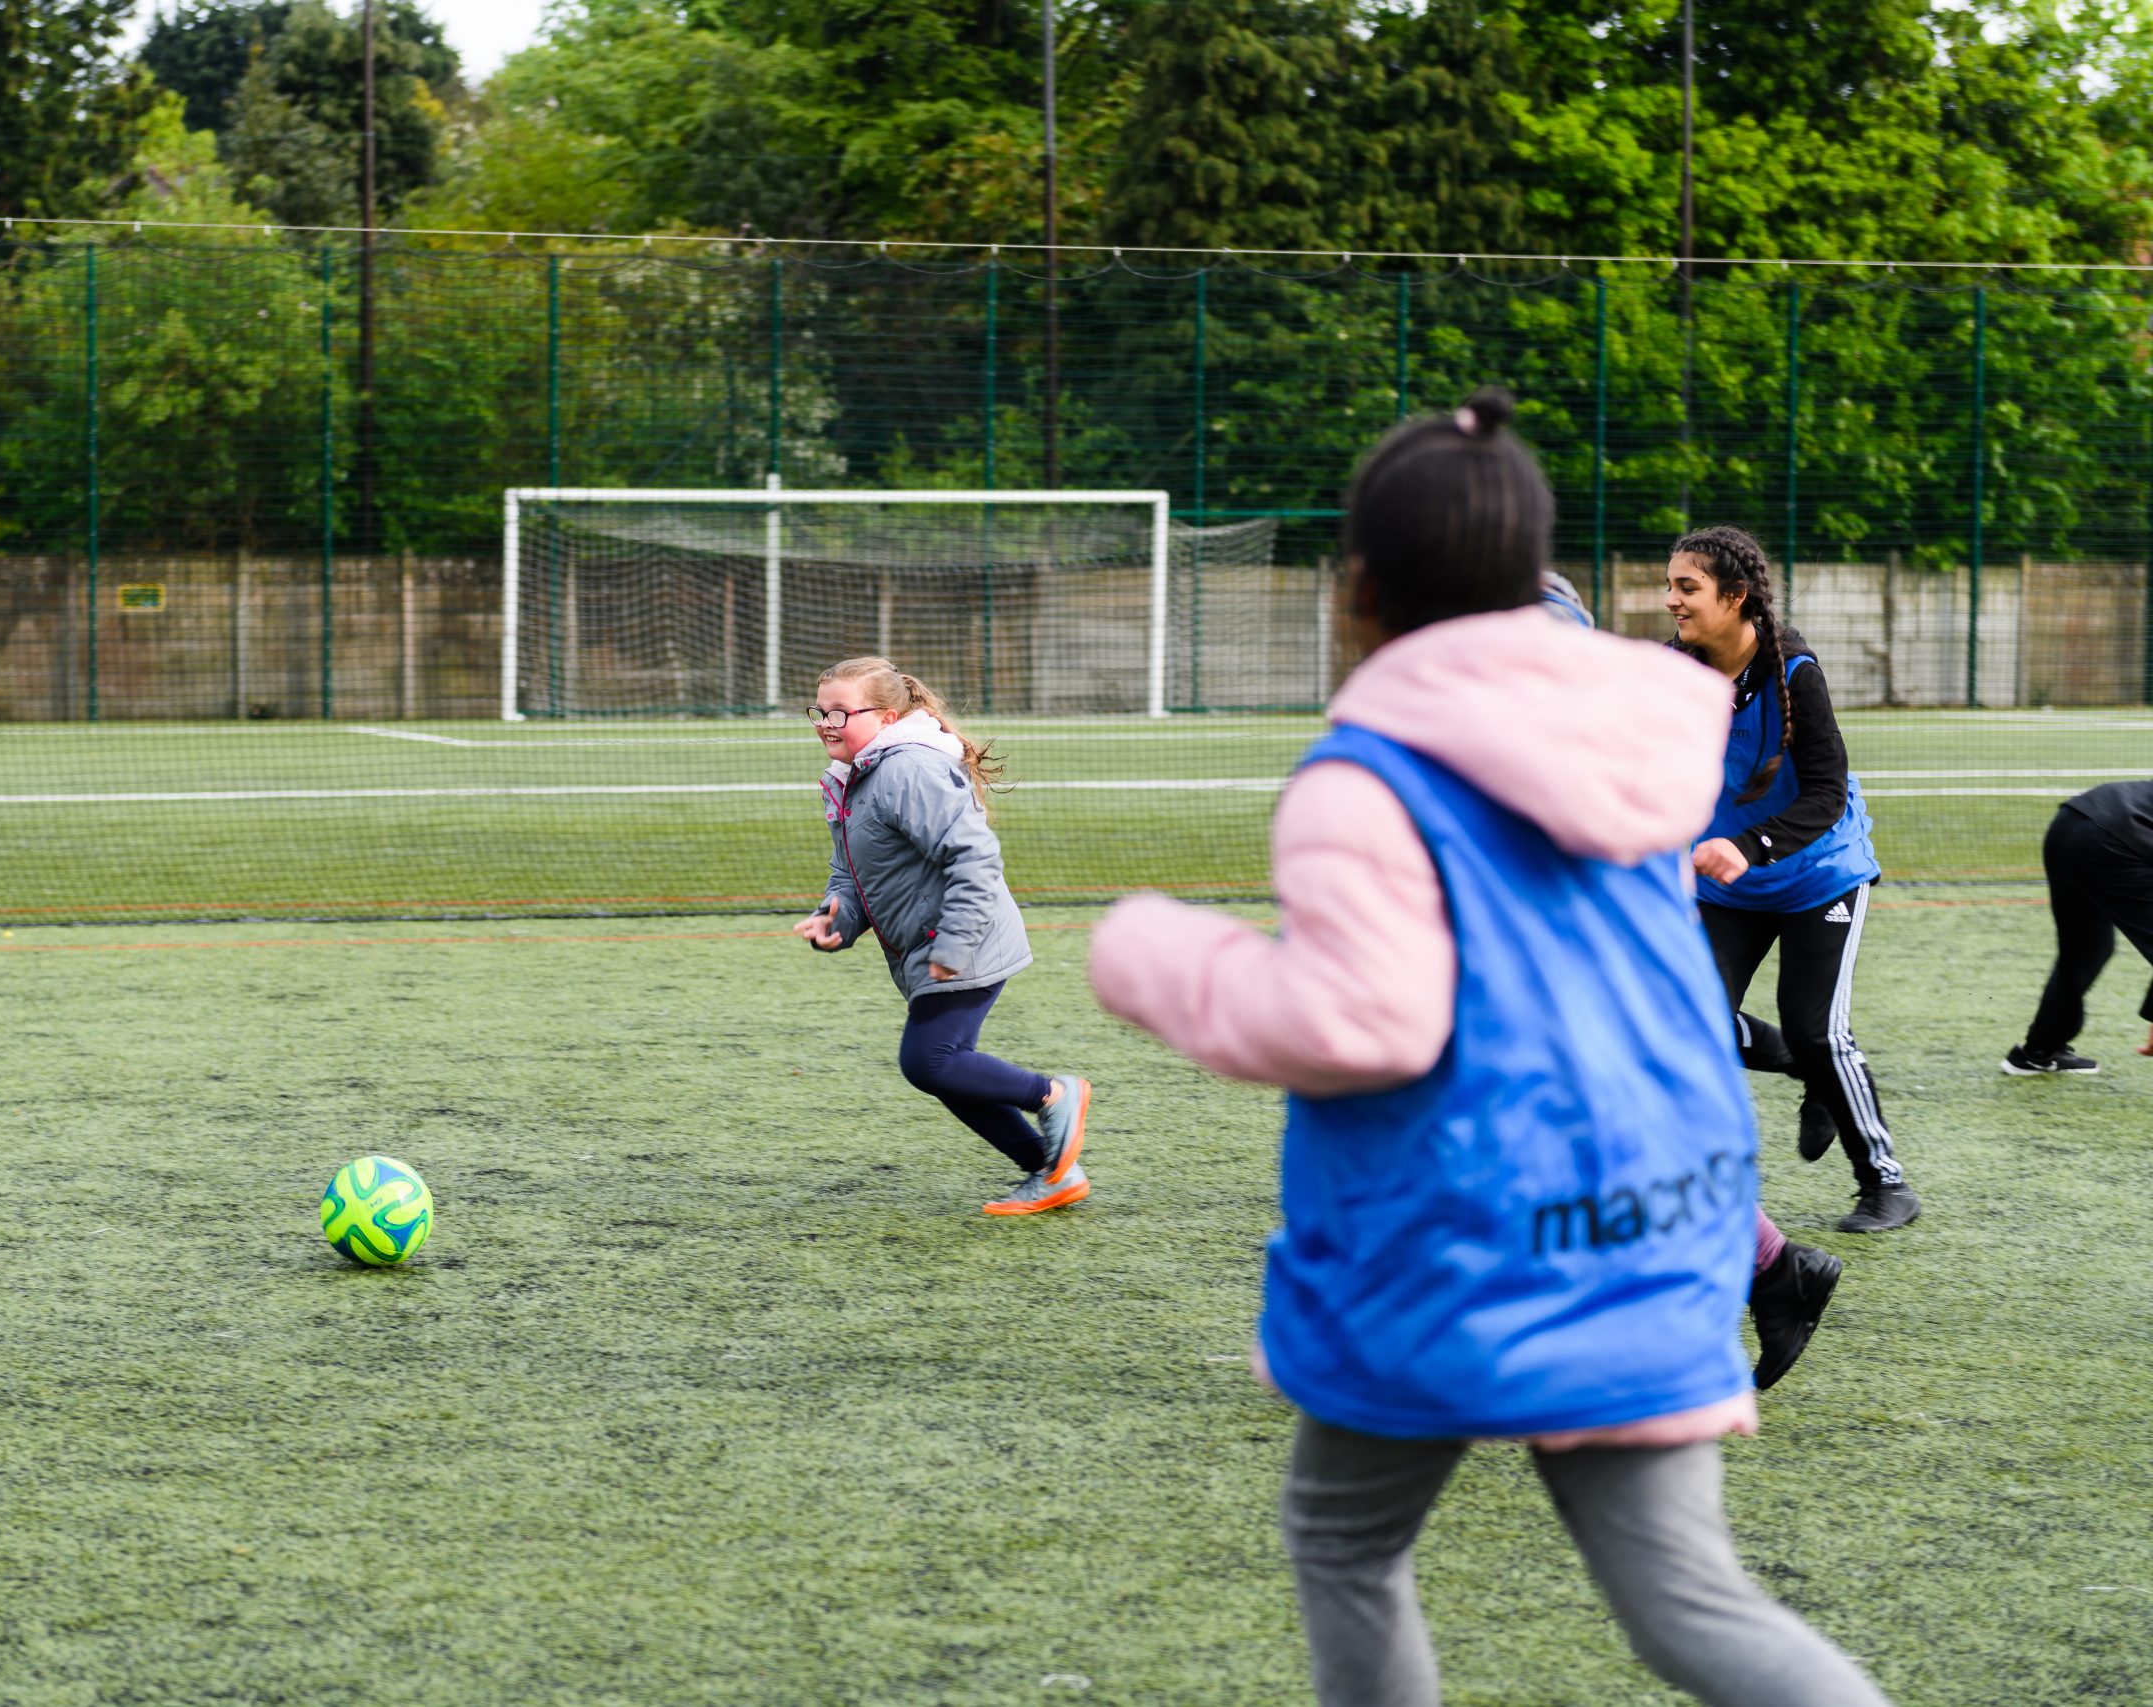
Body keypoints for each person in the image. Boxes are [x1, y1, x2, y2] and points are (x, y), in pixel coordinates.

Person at [1090, 389, 1888, 1707]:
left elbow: (1364, 1018)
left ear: (1362, 583)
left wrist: (1160, 958)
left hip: (1464, 1238)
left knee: (1346, 1542)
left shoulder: (1367, 776)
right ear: (1536, 572)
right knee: (1691, 1597)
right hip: (1657, 1217)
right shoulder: (1640, 737)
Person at [1664, 525, 1921, 1234]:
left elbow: (1827, 792)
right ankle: (1801, 1077)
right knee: (1688, 1019)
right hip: (1728, 881)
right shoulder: (1672, 671)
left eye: (1687, 587)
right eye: (1671, 586)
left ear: (1735, 596)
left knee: (1817, 1029)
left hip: (1818, 872)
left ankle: (1886, 1183)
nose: (1672, 601)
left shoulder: (1795, 672)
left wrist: (1750, 843)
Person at [794, 655, 1090, 1215]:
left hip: (962, 938)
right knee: (950, 1072)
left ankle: (1053, 1095)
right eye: (820, 712)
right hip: (927, 945)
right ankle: (1053, 1172)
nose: (826, 724)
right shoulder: (853, 778)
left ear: (884, 717)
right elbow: (851, 875)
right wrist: (835, 918)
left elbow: (976, 859)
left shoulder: (908, 770)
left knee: (929, 1062)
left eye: (841, 714)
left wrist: (953, 945)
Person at [2004, 778, 2153, 1073]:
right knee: (2085, 949)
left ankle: (2038, 1051)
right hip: (2115, 836)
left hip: (2071, 820)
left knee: (2087, 950)